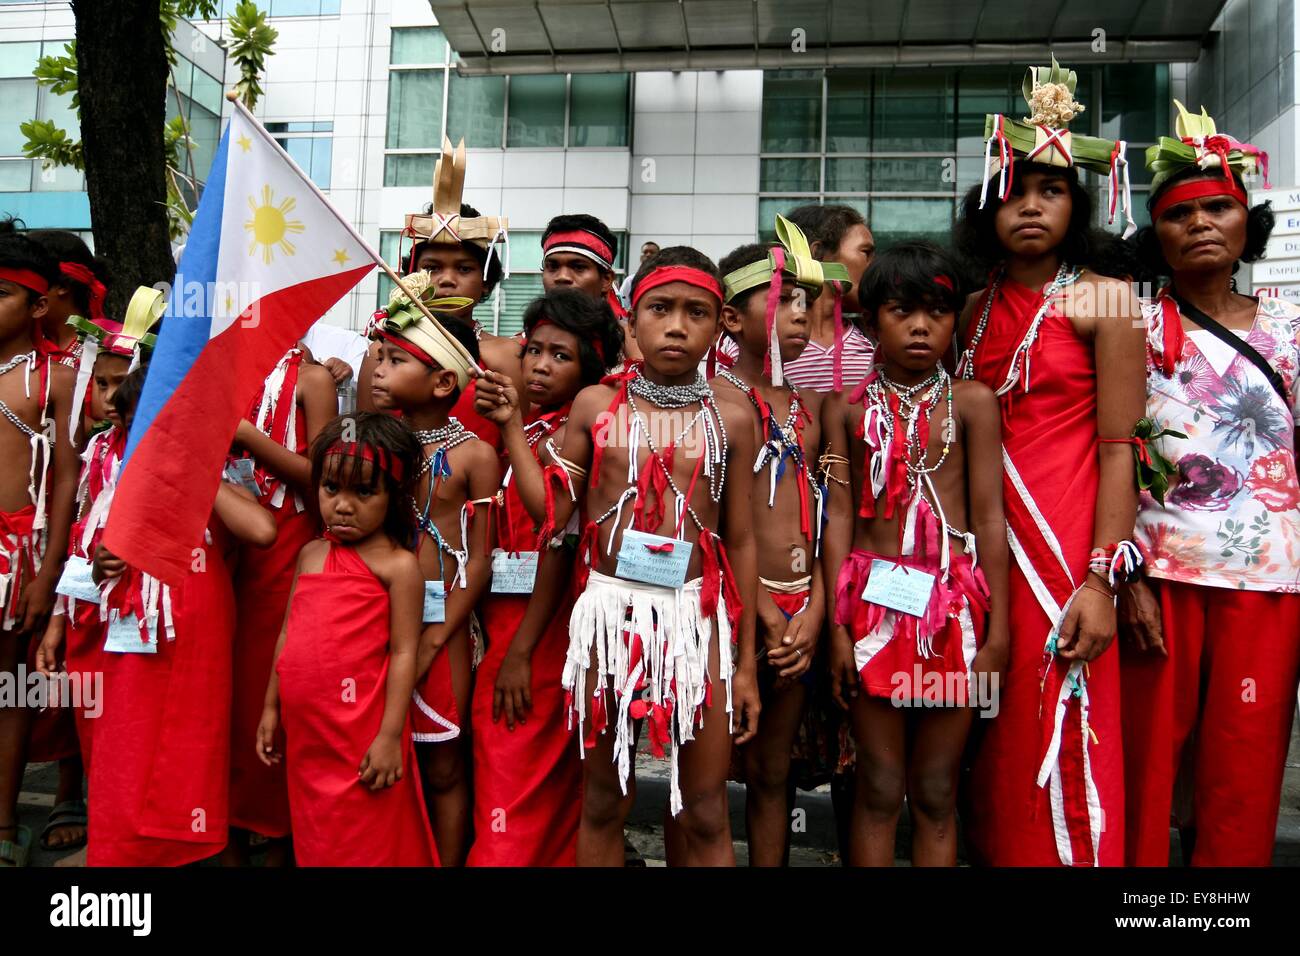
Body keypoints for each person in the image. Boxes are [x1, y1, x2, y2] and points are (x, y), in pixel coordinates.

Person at [479, 246, 761, 866]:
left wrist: (743, 666)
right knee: (605, 799)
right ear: (632, 322)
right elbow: (552, 514)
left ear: (719, 326)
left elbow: (740, 540)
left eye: (697, 312)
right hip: (608, 612)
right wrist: (507, 427)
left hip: (695, 617)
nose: (678, 325)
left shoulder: (735, 419)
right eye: (660, 309)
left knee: (707, 806)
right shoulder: (595, 406)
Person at [955, 58, 1146, 867]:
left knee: (1065, 712)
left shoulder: (1108, 296)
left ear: (1081, 204)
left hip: (1070, 549)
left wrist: (1104, 581)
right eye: (1015, 190)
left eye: (1052, 190)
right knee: (990, 729)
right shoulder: (965, 308)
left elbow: (1121, 450)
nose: (1030, 205)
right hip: (981, 549)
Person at [1120, 102, 1300, 867]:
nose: (1199, 224)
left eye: (1218, 207)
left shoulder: (1289, 324)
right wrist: (1122, 575)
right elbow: (1109, 453)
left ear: (1245, 221)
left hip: (1271, 577)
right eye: (1179, 213)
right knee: (1145, 765)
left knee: (1245, 764)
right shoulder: (1125, 322)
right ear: (1155, 234)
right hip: (1160, 571)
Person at [821, 241, 1009, 866]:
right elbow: (840, 514)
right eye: (902, 310)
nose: (922, 326)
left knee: (934, 789)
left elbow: (988, 516)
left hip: (953, 613)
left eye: (938, 311)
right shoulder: (844, 409)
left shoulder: (973, 402)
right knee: (877, 786)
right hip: (871, 610)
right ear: (871, 320)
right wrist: (838, 631)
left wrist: (999, 633)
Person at [87, 367, 277, 866]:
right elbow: (93, 547)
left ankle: (196, 845)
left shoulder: (210, 470)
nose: (148, 434)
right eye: (137, 424)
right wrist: (102, 560)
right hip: (131, 631)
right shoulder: (113, 475)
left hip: (198, 629)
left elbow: (261, 530)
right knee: (127, 741)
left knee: (193, 743)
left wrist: (190, 466)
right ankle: (124, 852)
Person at [467, 289, 624, 866]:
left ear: (591, 367)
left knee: (519, 765)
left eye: (561, 355)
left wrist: (520, 652)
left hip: (546, 626)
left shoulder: (580, 430)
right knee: (502, 764)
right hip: (503, 619)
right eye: (533, 349)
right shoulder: (534, 429)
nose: (538, 365)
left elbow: (552, 523)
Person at [712, 217, 848, 865]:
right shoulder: (713, 402)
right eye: (782, 298)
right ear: (732, 320)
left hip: (799, 611)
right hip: (734, 605)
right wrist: (758, 606)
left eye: (807, 301)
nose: (800, 313)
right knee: (707, 772)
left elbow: (824, 519)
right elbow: (709, 520)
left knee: (774, 775)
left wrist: (817, 606)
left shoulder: (814, 408)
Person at [256, 413, 438, 867]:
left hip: (360, 734)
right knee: (318, 837)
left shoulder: (398, 568)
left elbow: (403, 653)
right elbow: (288, 635)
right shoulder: (310, 554)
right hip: (308, 738)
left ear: (393, 496)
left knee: (367, 838)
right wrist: (271, 707)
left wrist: (390, 736)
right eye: (330, 488)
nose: (342, 505)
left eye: (363, 492)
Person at [368, 273, 499, 865]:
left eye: (394, 359)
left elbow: (481, 562)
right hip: (376, 620)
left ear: (445, 380)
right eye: (379, 355)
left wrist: (439, 636)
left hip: (444, 626)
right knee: (380, 749)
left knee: (444, 763)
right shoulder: (375, 446)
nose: (377, 369)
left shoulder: (476, 456)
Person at [34, 286, 164, 856]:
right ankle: (102, 819)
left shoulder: (159, 454)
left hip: (140, 614)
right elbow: (82, 536)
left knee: (135, 731)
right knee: (93, 720)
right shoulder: (93, 453)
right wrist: (60, 622)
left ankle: (139, 835)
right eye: (101, 383)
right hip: (87, 606)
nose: (111, 398)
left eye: (123, 384)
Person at [222, 346, 335, 865]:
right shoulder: (215, 368)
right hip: (221, 542)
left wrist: (247, 436)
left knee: (272, 685)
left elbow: (321, 481)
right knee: (221, 691)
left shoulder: (312, 378)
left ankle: (281, 829)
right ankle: (223, 826)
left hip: (287, 547)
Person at [0, 222, 79, 869]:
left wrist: (46, 572)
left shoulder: (56, 376)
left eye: (1, 293)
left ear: (38, 304)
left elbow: (68, 478)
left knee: (11, 689)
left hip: (16, 554)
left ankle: (3, 826)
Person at [357, 138, 518, 449]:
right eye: (431, 267)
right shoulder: (381, 350)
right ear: (411, 276)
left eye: (464, 269)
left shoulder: (506, 356)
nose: (446, 281)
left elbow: (515, 447)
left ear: (486, 280)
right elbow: (366, 438)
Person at [721, 203, 876, 394]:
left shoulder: (874, 341)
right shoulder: (751, 342)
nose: (875, 266)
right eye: (866, 252)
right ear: (816, 253)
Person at [27, 229, 110, 374]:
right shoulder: (17, 347)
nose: (23, 293)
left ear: (63, 286)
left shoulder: (109, 352)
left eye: (31, 282)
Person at [618, 240, 660, 311]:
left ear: (659, 256)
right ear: (641, 257)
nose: (648, 255)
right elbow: (622, 304)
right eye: (645, 252)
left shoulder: (664, 279)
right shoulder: (630, 280)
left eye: (652, 252)